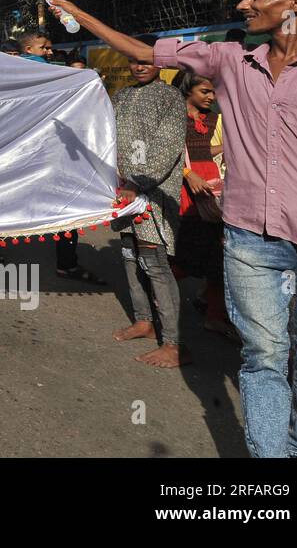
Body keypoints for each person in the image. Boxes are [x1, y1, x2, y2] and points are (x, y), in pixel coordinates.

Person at [48, 0, 297, 457]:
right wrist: (80, 13)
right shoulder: (229, 60)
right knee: (264, 355)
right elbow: (142, 50)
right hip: (249, 236)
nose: (241, 4)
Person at [107, 35, 188, 367]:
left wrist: (138, 184)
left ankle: (174, 344)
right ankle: (143, 320)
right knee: (129, 255)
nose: (139, 66)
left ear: (161, 62)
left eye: (145, 60)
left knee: (156, 266)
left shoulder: (171, 99)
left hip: (154, 196)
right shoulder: (121, 97)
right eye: (133, 60)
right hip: (124, 192)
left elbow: (166, 150)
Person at [16, 30, 105, 284]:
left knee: (7, 196)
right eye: (44, 47)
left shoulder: (13, 71)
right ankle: (67, 263)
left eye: (49, 47)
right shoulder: (48, 73)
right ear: (29, 50)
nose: (49, 51)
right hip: (52, 151)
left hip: (24, 150)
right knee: (66, 204)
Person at [172, 71, 234, 339]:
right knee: (185, 255)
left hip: (210, 190)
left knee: (219, 258)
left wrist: (226, 150)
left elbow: (203, 151)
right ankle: (160, 312)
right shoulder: (174, 118)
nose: (211, 97)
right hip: (184, 192)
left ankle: (214, 317)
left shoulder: (212, 119)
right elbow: (169, 153)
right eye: (205, 92)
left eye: (213, 92)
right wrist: (188, 174)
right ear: (188, 91)